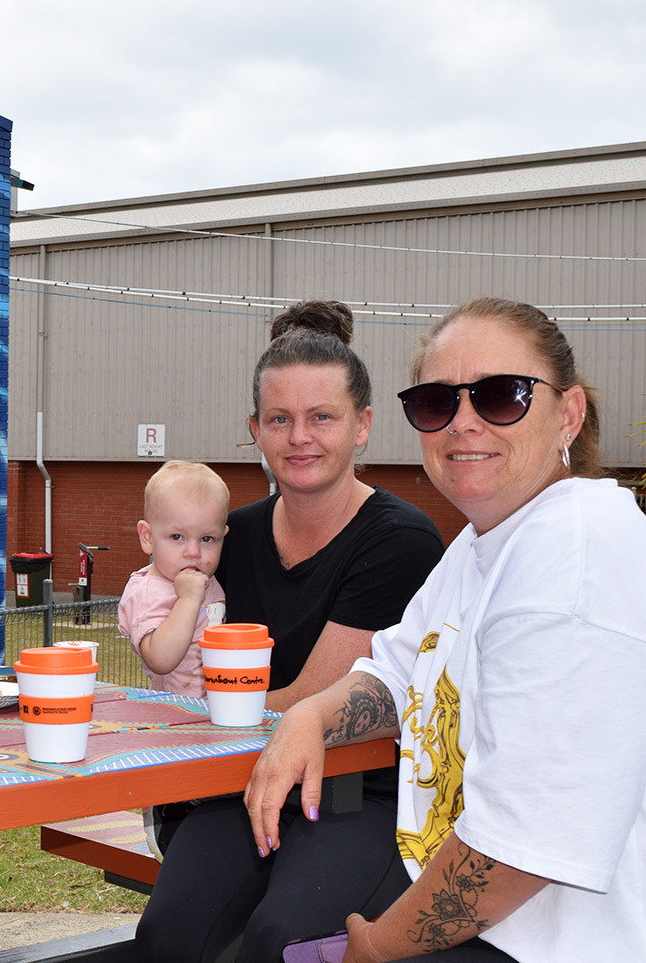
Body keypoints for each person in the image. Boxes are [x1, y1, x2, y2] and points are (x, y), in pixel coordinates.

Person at [245, 297, 646, 963]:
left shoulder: (576, 552)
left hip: (551, 942)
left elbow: (521, 845)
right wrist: (311, 716)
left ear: (567, 414)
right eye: (437, 402)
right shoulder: (484, 542)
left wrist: (375, 948)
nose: (463, 422)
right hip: (470, 901)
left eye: (500, 395)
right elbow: (399, 671)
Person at [136, 301, 446, 963]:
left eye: (322, 418)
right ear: (256, 429)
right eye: (280, 419)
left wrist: (183, 717)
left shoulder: (399, 542)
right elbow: (164, 637)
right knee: (171, 931)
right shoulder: (231, 537)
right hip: (240, 777)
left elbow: (316, 702)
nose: (299, 437)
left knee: (285, 940)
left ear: (362, 426)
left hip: (364, 792)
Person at [118, 460, 230, 698]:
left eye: (207, 539)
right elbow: (160, 659)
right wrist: (188, 600)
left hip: (216, 709)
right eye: (177, 536)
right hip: (176, 714)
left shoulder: (205, 577)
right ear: (147, 538)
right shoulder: (148, 591)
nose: (194, 552)